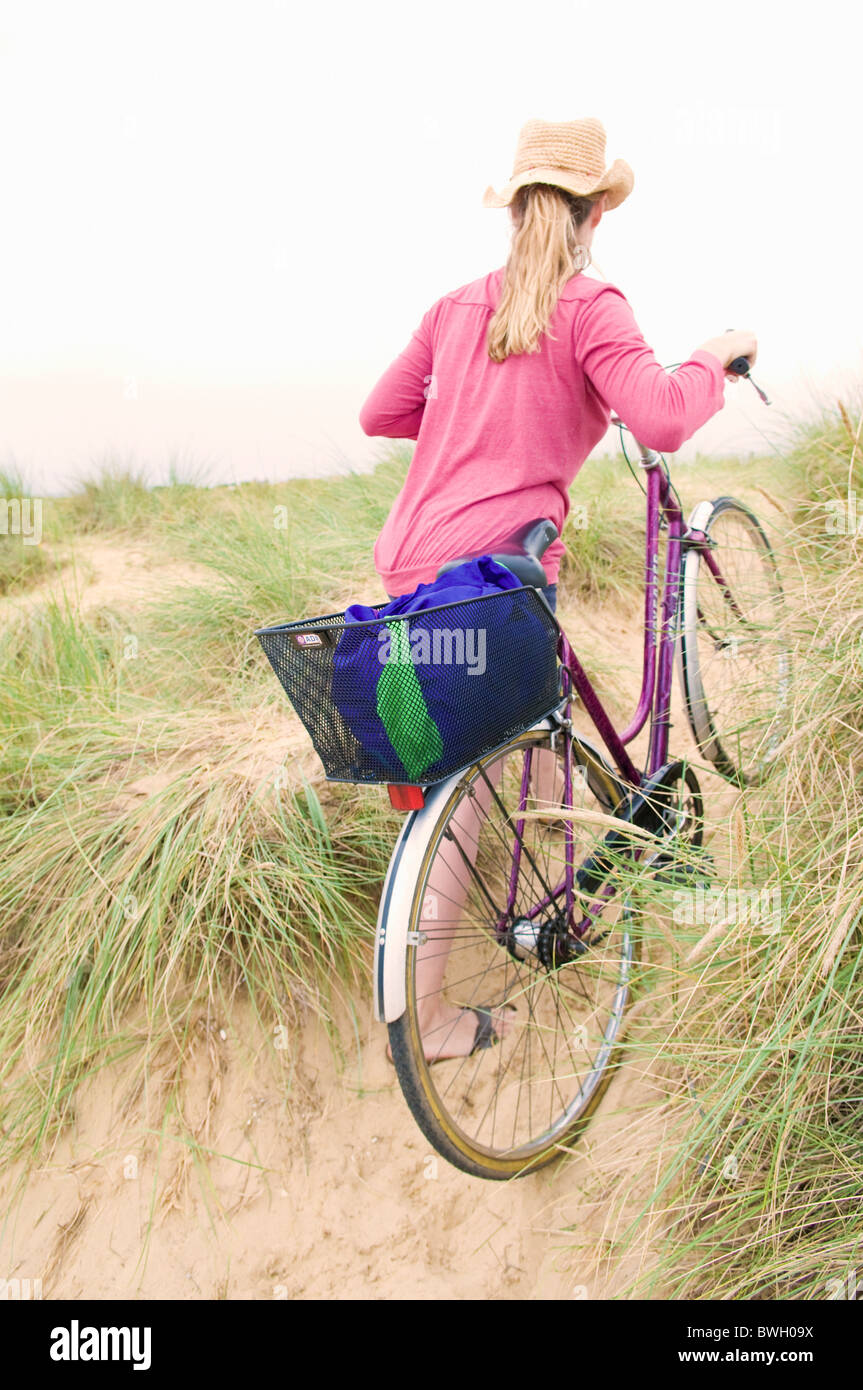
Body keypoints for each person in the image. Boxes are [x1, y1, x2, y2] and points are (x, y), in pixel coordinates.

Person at [360, 117, 757, 1062]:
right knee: (493, 768)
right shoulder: (590, 305)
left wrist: (471, 412)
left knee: (474, 776)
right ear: (592, 214)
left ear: (515, 211)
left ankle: (461, 981)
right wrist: (715, 357)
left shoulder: (456, 308)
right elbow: (659, 417)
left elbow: (381, 412)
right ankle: (483, 988)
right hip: (496, 572)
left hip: (410, 567)